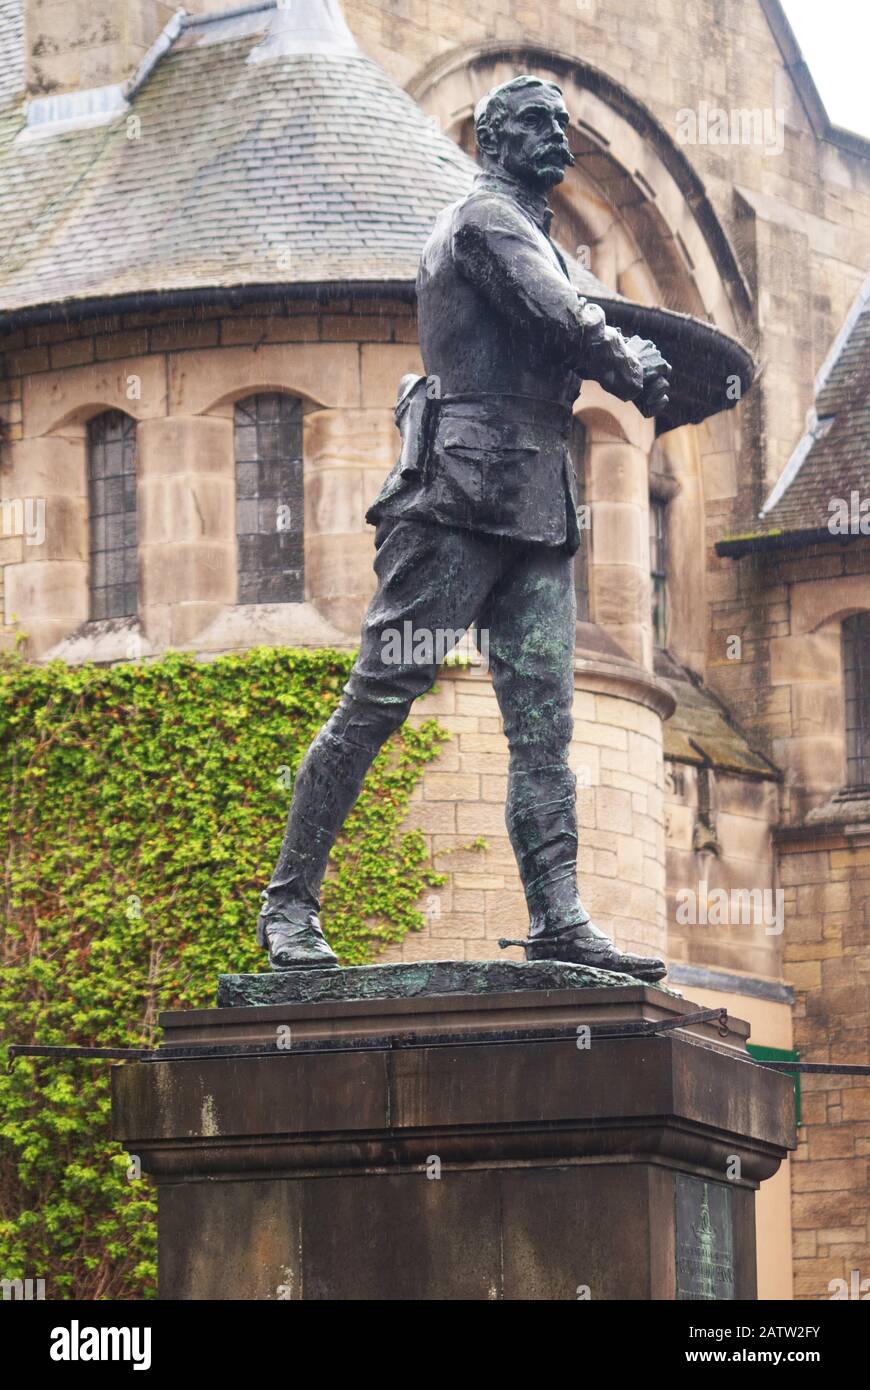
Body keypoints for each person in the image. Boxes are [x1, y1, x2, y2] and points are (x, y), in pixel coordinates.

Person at [256, 75, 671, 980]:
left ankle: (559, 916)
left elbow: (573, 312)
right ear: (492, 140)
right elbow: (562, 318)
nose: (557, 136)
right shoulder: (482, 224)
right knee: (376, 701)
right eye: (535, 123)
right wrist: (627, 361)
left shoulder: (546, 241)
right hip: (456, 496)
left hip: (535, 506)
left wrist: (645, 359)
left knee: (543, 730)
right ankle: (289, 903)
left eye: (564, 123)